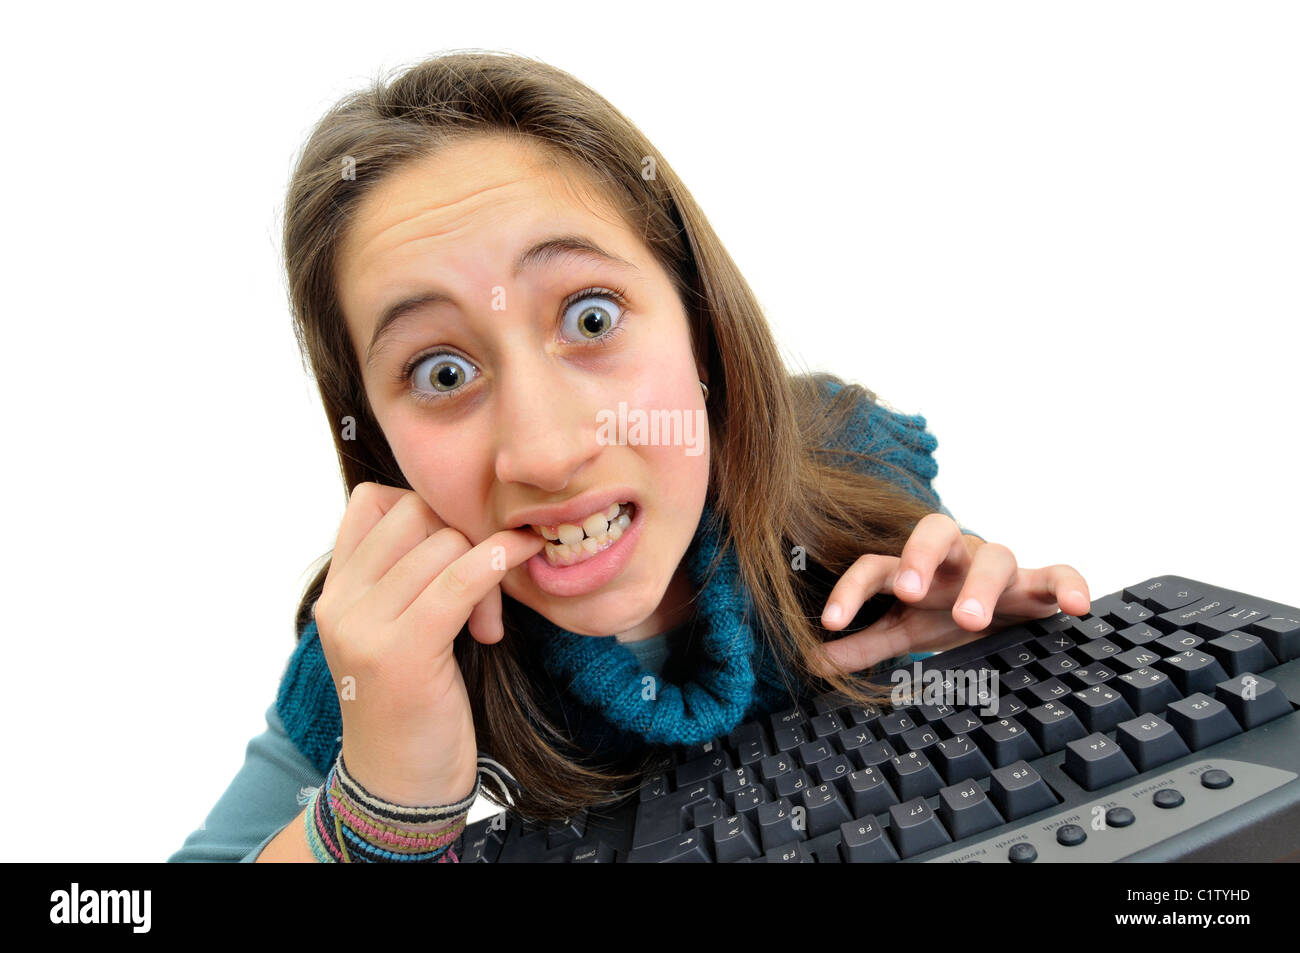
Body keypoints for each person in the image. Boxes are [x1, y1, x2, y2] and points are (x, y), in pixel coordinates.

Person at [167, 49, 1090, 863]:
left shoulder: (846, 465)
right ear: (375, 434)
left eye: (590, 318)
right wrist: (381, 803)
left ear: (697, 316)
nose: (547, 451)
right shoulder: (380, 654)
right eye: (441, 372)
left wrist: (986, 666)